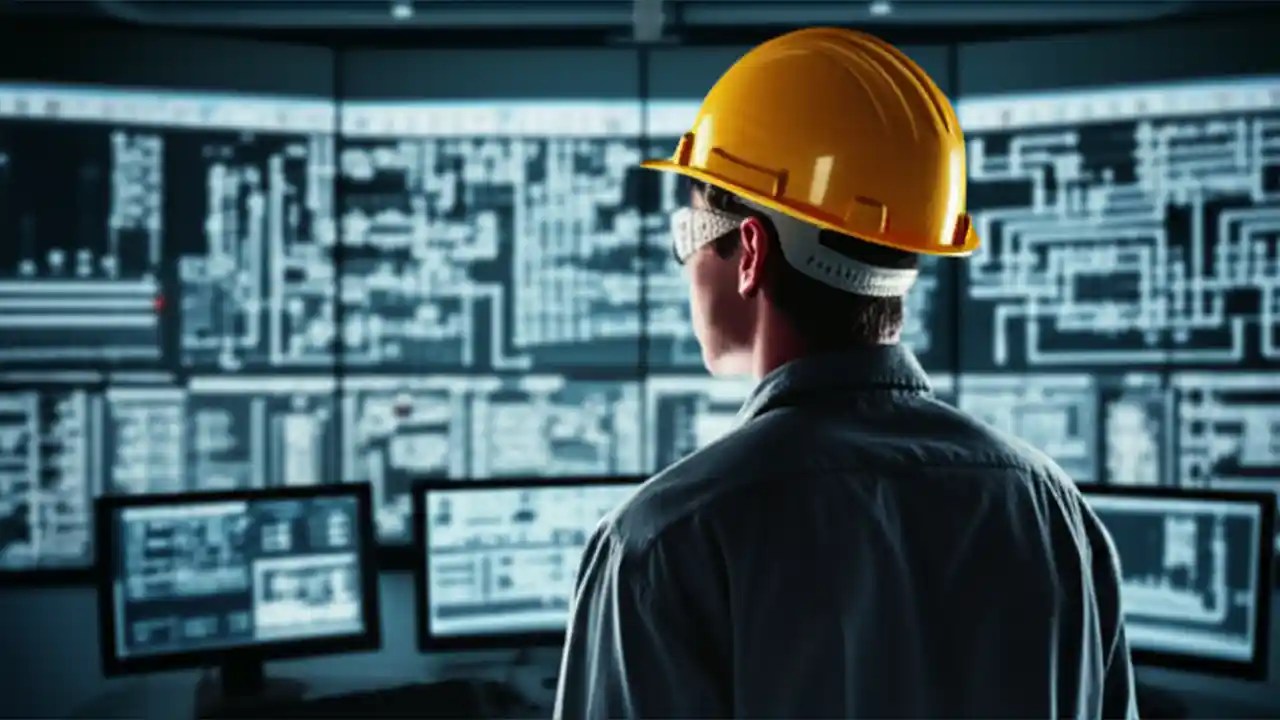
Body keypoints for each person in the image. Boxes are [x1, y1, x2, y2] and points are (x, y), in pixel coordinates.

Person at [553, 27, 1137, 719]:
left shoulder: (664, 543)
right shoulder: (1056, 516)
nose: (685, 267)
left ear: (748, 253)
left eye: (690, 236)